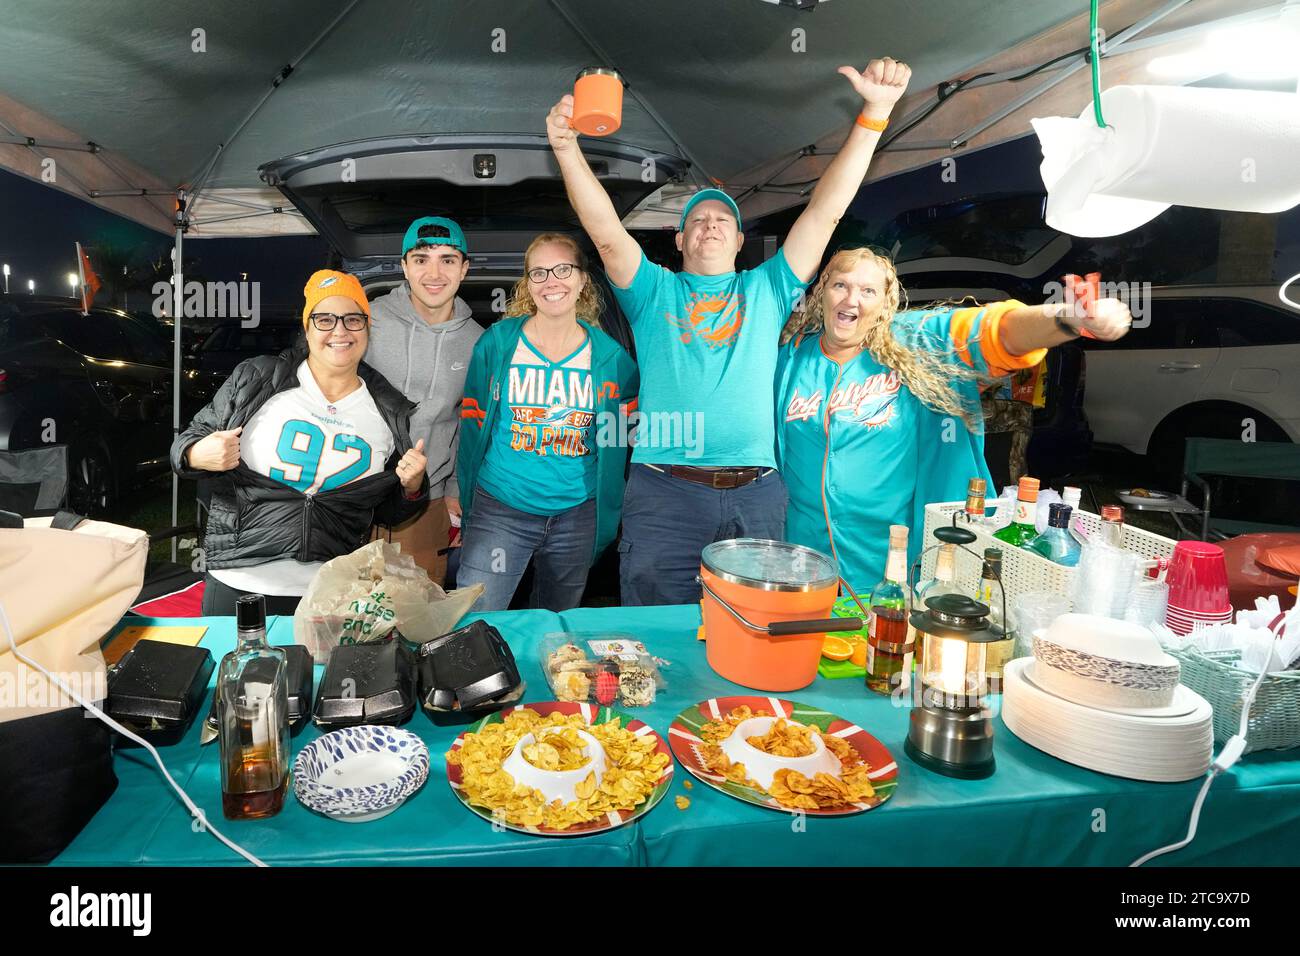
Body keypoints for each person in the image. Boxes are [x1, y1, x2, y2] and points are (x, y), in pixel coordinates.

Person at [547, 56, 912, 606]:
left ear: (741, 242)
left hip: (758, 496)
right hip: (664, 491)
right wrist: (566, 148)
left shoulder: (767, 289)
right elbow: (602, 229)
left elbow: (825, 212)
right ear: (679, 240)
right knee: (655, 639)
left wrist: (874, 114)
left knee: (755, 632)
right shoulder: (653, 291)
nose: (711, 224)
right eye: (698, 219)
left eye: (724, 219)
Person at [775, 248, 1134, 595]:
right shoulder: (790, 359)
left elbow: (992, 331)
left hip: (892, 564)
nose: (851, 299)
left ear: (885, 302)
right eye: (841, 285)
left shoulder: (915, 345)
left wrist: (1065, 319)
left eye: (867, 290)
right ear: (822, 291)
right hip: (803, 561)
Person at [172, 270, 428, 616]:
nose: (340, 331)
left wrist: (412, 488)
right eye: (325, 319)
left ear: (367, 328)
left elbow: (384, 510)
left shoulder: (388, 409)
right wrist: (195, 453)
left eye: (353, 319)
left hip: (329, 593)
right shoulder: (258, 379)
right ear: (307, 328)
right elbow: (186, 443)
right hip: (239, 582)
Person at [455, 234, 638, 611]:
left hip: (577, 515)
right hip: (500, 508)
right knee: (474, 615)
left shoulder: (611, 358)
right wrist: (463, 491)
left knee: (557, 623)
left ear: (583, 279)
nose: (551, 281)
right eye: (538, 272)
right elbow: (472, 425)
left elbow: (620, 439)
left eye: (562, 269)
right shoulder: (498, 344)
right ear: (527, 284)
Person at [366, 216, 483, 585]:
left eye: (448, 260)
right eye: (421, 259)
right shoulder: (367, 320)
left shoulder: (479, 342)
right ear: (404, 266)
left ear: (464, 269)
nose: (434, 273)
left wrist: (454, 492)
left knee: (419, 617)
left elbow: (471, 424)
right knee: (349, 618)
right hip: (359, 494)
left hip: (426, 500)